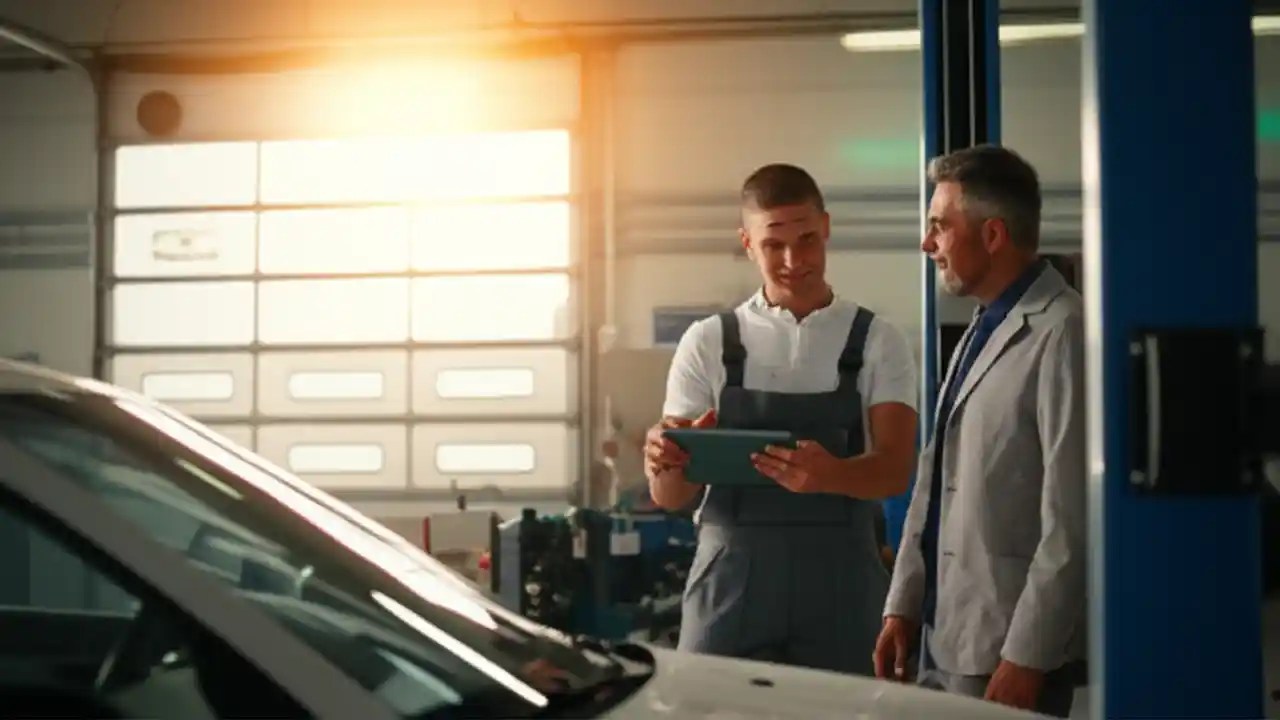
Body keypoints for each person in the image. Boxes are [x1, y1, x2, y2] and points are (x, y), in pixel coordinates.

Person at [643, 163, 919, 675]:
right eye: (774, 245)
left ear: (827, 228)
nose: (794, 259)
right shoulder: (708, 342)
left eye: (808, 239)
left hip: (843, 580)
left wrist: (829, 475)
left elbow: (895, 470)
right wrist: (664, 461)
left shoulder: (879, 341)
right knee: (709, 708)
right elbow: (671, 497)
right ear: (747, 242)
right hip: (731, 577)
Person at [873, 145, 1086, 717]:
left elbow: (1070, 519)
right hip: (943, 636)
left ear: (992, 236)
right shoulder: (981, 326)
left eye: (940, 227)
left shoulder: (1062, 332)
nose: (927, 244)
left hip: (1003, 652)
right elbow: (933, 481)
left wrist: (1028, 656)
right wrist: (904, 606)